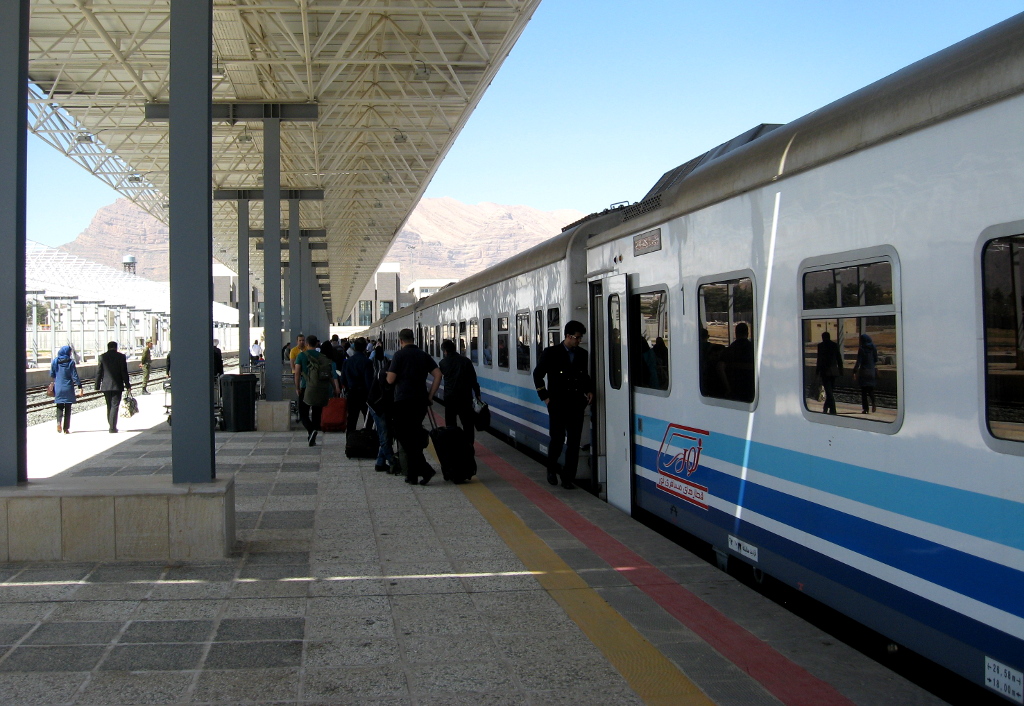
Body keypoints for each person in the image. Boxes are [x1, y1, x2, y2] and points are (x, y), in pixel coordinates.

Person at [533, 320, 593, 489]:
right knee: (557, 439)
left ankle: (568, 478)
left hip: (576, 404)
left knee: (574, 443)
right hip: (557, 404)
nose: (579, 341)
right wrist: (544, 396)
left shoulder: (582, 354)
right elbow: (538, 374)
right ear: (568, 336)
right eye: (577, 337)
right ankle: (551, 470)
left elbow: (584, 376)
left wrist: (589, 390)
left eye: (580, 338)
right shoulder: (551, 353)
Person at [387, 328, 442, 485]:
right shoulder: (423, 355)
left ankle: (425, 470)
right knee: (413, 436)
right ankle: (411, 476)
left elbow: (390, 380)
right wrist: (430, 396)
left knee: (404, 437)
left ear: (400, 341)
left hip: (403, 401)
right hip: (420, 402)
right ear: (413, 339)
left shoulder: (399, 355)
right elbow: (438, 374)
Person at [294, 335, 340, 446]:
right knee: (316, 413)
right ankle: (312, 438)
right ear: (316, 344)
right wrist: (334, 388)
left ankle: (310, 430)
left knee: (303, 413)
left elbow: (297, 373)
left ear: (307, 343)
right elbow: (329, 375)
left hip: (306, 387)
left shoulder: (301, 356)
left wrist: (297, 388)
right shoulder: (322, 356)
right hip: (320, 388)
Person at [438, 339, 482, 448]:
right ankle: (469, 445)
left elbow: (439, 377)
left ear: (445, 351)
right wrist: (477, 394)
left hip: (449, 398)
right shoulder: (466, 361)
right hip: (465, 397)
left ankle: (454, 446)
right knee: (468, 424)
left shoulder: (443, 363)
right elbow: (473, 380)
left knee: (451, 424)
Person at [367, 347, 395, 473]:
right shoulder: (385, 376)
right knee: (385, 436)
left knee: (387, 435)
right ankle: (393, 462)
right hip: (378, 407)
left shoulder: (385, 371)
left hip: (380, 406)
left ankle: (380, 463)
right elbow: (387, 396)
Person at [96, 341, 131, 433]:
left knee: (109, 406)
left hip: (106, 386)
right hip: (117, 385)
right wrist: (128, 385)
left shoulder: (102, 357)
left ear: (108, 347)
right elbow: (124, 372)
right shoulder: (121, 357)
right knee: (115, 405)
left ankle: (111, 424)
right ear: (116, 347)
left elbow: (99, 372)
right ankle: (112, 427)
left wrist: (97, 385)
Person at [342, 338, 373, 437]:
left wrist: (348, 388)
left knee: (351, 419)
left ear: (354, 347)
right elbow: (369, 381)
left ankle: (350, 441)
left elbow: (343, 379)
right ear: (365, 348)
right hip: (364, 394)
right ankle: (367, 438)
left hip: (352, 393)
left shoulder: (347, 362)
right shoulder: (367, 362)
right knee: (368, 418)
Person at [718, 322, 755, 402]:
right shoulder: (753, 349)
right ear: (747, 333)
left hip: (735, 388)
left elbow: (720, 367)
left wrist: (728, 388)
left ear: (736, 333)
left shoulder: (730, 349)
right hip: (750, 389)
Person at [50, 344, 82, 434]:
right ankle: (66, 429)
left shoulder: (55, 361)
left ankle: (58, 422)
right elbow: (75, 376)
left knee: (59, 406)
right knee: (68, 408)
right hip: (68, 387)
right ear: (68, 352)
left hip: (58, 386)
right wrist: (79, 386)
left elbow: (52, 374)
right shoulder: (71, 362)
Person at [816, 331, 844, 415]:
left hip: (825, 372)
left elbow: (819, 360)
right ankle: (826, 408)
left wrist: (817, 372)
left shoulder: (820, 346)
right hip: (834, 371)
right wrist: (841, 370)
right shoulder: (834, 345)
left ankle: (833, 410)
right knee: (830, 391)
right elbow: (839, 359)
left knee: (829, 392)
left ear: (823, 337)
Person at [853, 333, 879, 414]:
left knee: (864, 391)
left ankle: (865, 409)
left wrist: (854, 371)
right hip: (871, 371)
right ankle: (874, 402)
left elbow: (859, 362)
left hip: (864, 371)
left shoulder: (861, 349)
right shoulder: (873, 347)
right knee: (870, 389)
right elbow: (876, 359)